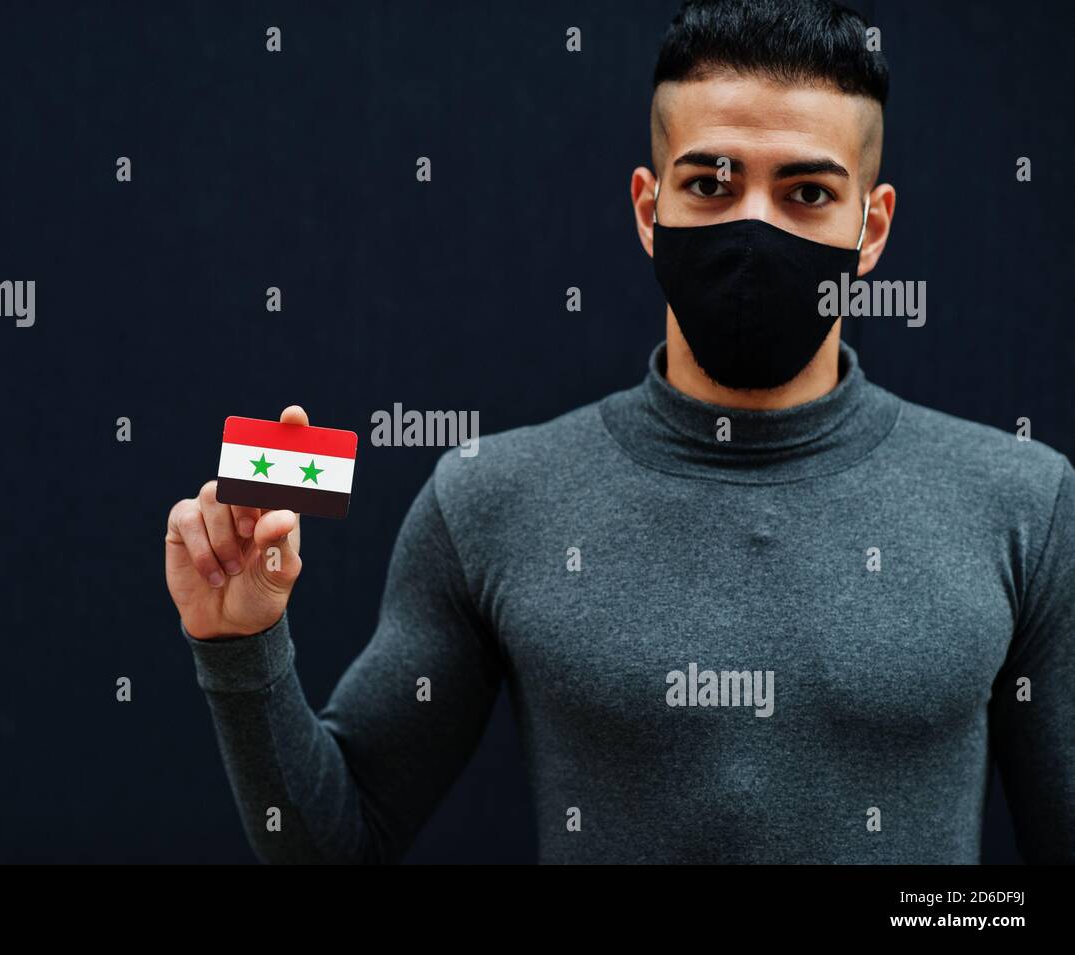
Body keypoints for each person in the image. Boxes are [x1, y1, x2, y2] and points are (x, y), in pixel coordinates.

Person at [163, 0, 1075, 863]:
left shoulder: (1024, 505)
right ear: (650, 210)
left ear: (870, 228)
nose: (753, 226)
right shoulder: (491, 498)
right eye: (710, 183)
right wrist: (241, 644)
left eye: (805, 193)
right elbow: (337, 842)